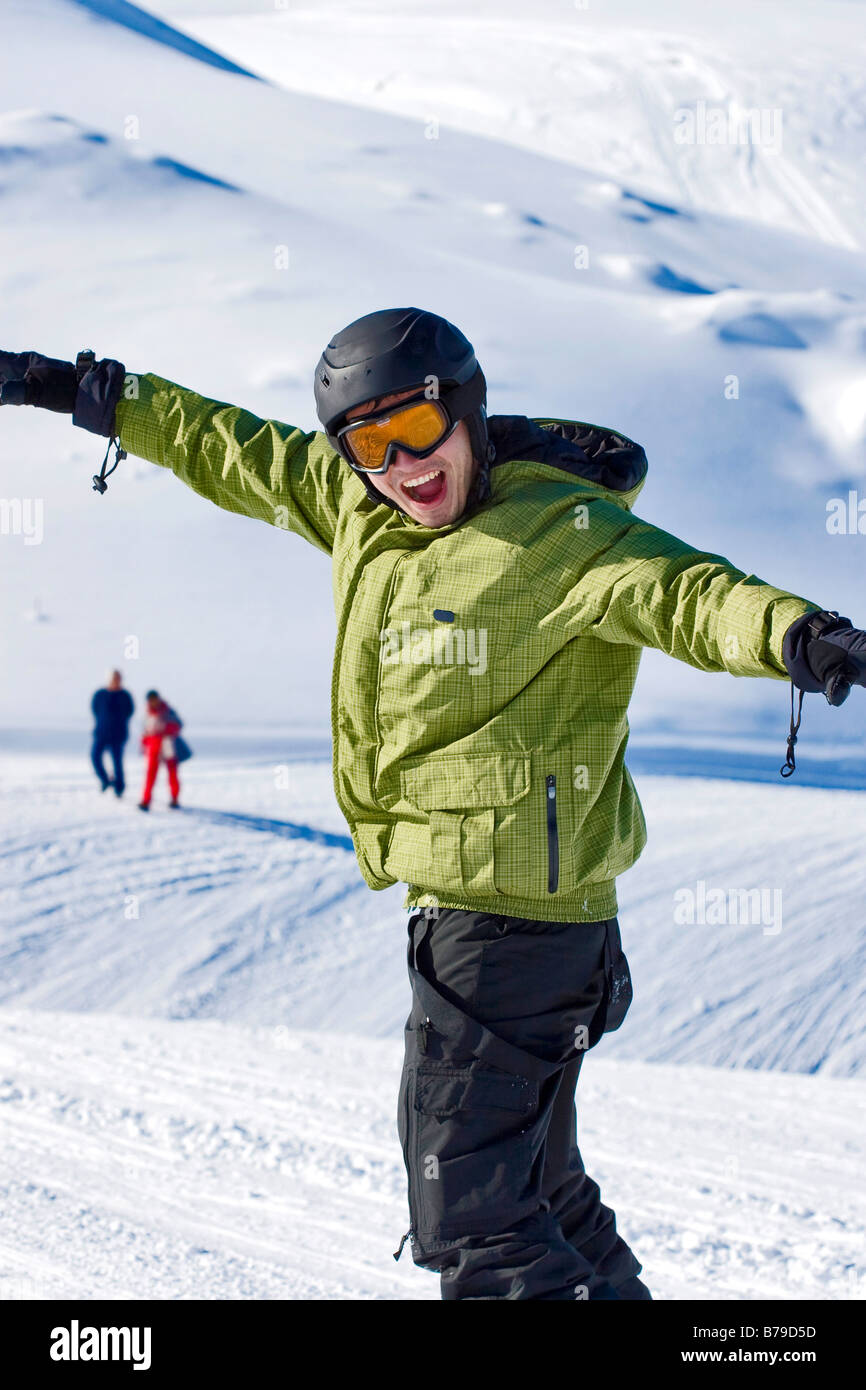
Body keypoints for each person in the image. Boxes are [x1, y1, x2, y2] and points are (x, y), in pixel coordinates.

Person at [2, 317, 865, 1302]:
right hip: (517, 925)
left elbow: (689, 593)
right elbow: (225, 444)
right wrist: (64, 389)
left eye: (416, 425)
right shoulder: (361, 509)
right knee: (537, 1187)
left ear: (465, 407)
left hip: (507, 931)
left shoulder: (565, 531)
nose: (402, 464)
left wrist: (799, 633)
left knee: (471, 1215)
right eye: (369, 444)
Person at [90, 668, 134, 798]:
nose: (116, 680)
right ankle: (105, 779)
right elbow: (95, 709)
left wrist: (118, 722)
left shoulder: (125, 695)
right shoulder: (100, 694)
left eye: (118, 678)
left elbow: (129, 712)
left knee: (117, 762)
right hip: (101, 733)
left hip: (118, 734)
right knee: (95, 756)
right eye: (114, 678)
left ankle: (119, 787)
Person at [138, 689, 183, 812]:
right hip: (153, 747)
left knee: (172, 774)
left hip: (168, 746)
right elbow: (144, 732)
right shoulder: (147, 714)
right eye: (151, 700)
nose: (153, 702)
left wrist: (166, 729)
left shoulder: (168, 711)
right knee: (150, 775)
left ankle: (175, 798)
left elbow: (178, 725)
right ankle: (146, 800)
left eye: (155, 699)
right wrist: (145, 742)